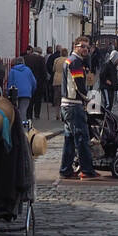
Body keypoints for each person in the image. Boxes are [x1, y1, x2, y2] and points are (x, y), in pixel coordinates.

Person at [59, 36, 100, 179]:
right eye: (82, 46)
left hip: (66, 105)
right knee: (82, 137)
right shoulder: (75, 62)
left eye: (87, 48)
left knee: (69, 139)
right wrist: (88, 98)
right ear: (75, 46)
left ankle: (65, 169)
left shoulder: (69, 60)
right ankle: (87, 170)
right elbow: (79, 85)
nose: (85, 50)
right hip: (74, 105)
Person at [8, 55, 38, 123]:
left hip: (15, 93)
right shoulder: (28, 70)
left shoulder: (12, 71)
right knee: (23, 110)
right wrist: (32, 91)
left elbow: (10, 83)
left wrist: (8, 93)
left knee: (15, 109)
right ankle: (22, 125)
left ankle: (16, 124)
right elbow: (34, 82)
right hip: (26, 92)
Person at [25, 46, 49, 120]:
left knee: (30, 98)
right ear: (40, 52)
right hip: (39, 82)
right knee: (38, 99)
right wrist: (45, 79)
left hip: (29, 81)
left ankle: (29, 114)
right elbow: (43, 71)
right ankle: (37, 114)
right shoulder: (41, 59)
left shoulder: (26, 58)